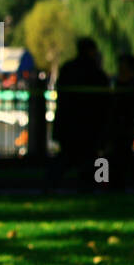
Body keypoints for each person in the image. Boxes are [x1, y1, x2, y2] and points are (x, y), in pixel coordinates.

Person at [48, 37, 109, 193]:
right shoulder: (96, 72)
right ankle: (94, 187)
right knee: (92, 158)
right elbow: (103, 100)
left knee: (67, 157)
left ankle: (51, 184)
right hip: (89, 124)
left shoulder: (69, 69)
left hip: (69, 123)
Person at [108, 52, 134, 190]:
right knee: (117, 156)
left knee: (123, 155)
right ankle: (107, 182)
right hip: (116, 126)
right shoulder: (117, 83)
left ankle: (113, 183)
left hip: (126, 126)